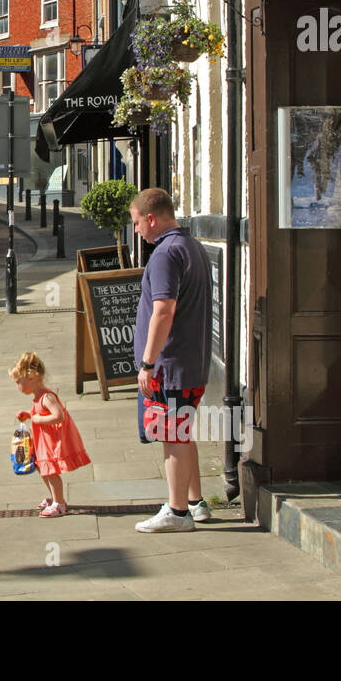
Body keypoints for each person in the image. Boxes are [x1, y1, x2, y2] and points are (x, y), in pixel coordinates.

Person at [129, 187, 214, 532]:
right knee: (182, 431)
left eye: (136, 223)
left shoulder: (165, 254)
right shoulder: (192, 246)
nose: (136, 231)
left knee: (172, 435)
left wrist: (148, 363)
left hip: (170, 366)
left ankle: (177, 512)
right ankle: (195, 501)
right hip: (192, 362)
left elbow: (163, 311)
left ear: (151, 218)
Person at [10, 351, 90, 517]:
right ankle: (55, 498)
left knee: (50, 471)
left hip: (51, 442)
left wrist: (37, 419)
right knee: (43, 468)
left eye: (19, 382)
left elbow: (59, 415)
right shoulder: (38, 397)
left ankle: (59, 504)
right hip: (44, 442)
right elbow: (43, 415)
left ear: (32, 378)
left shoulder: (46, 397)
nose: (18, 386)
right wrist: (30, 415)